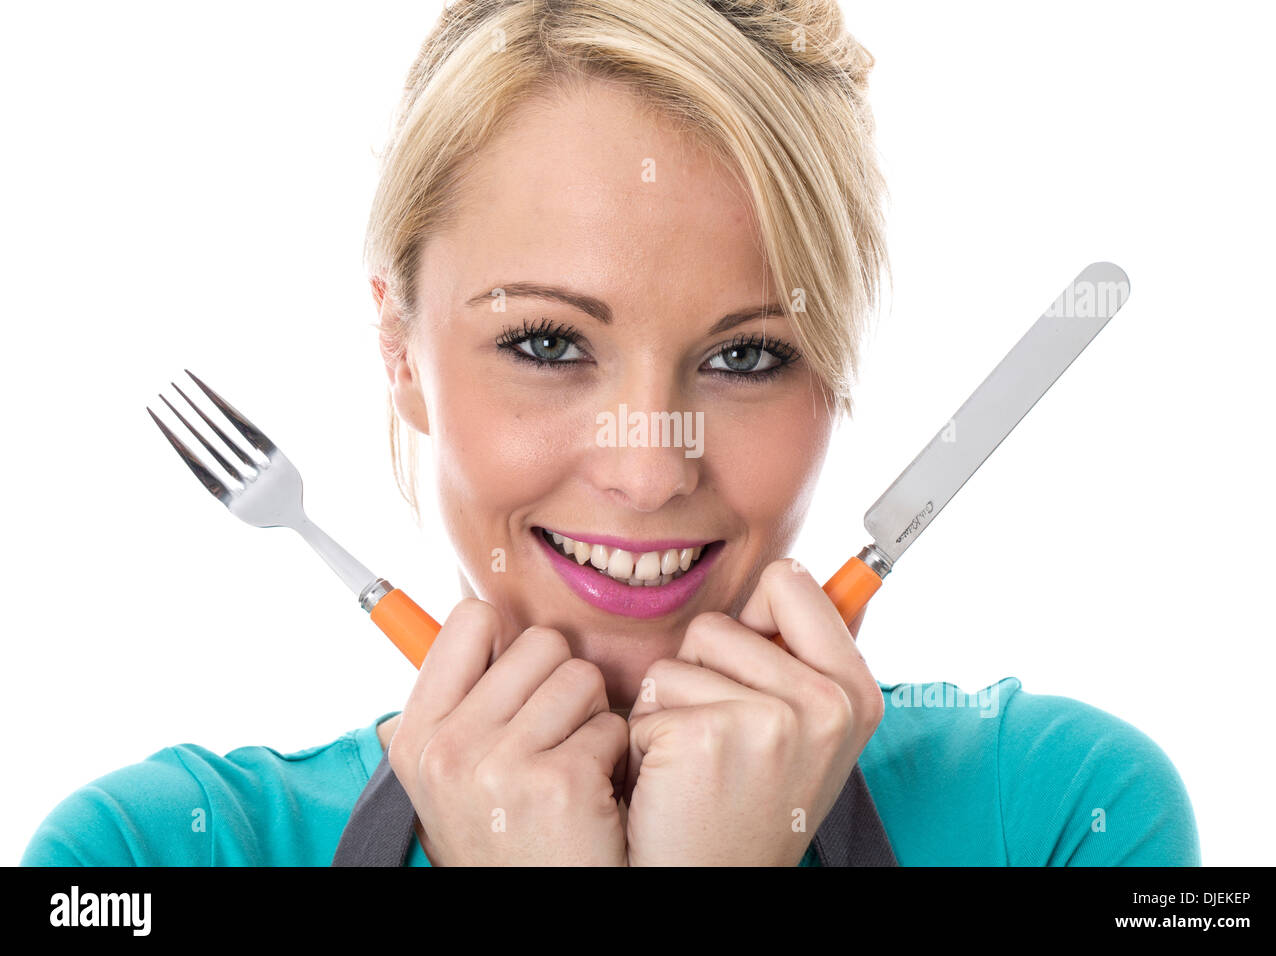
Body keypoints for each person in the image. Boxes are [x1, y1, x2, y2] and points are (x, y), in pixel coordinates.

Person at [21, 0, 1198, 867]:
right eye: (546, 342)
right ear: (400, 351)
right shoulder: (134, 856)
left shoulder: (1063, 810)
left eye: (746, 354)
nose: (646, 470)